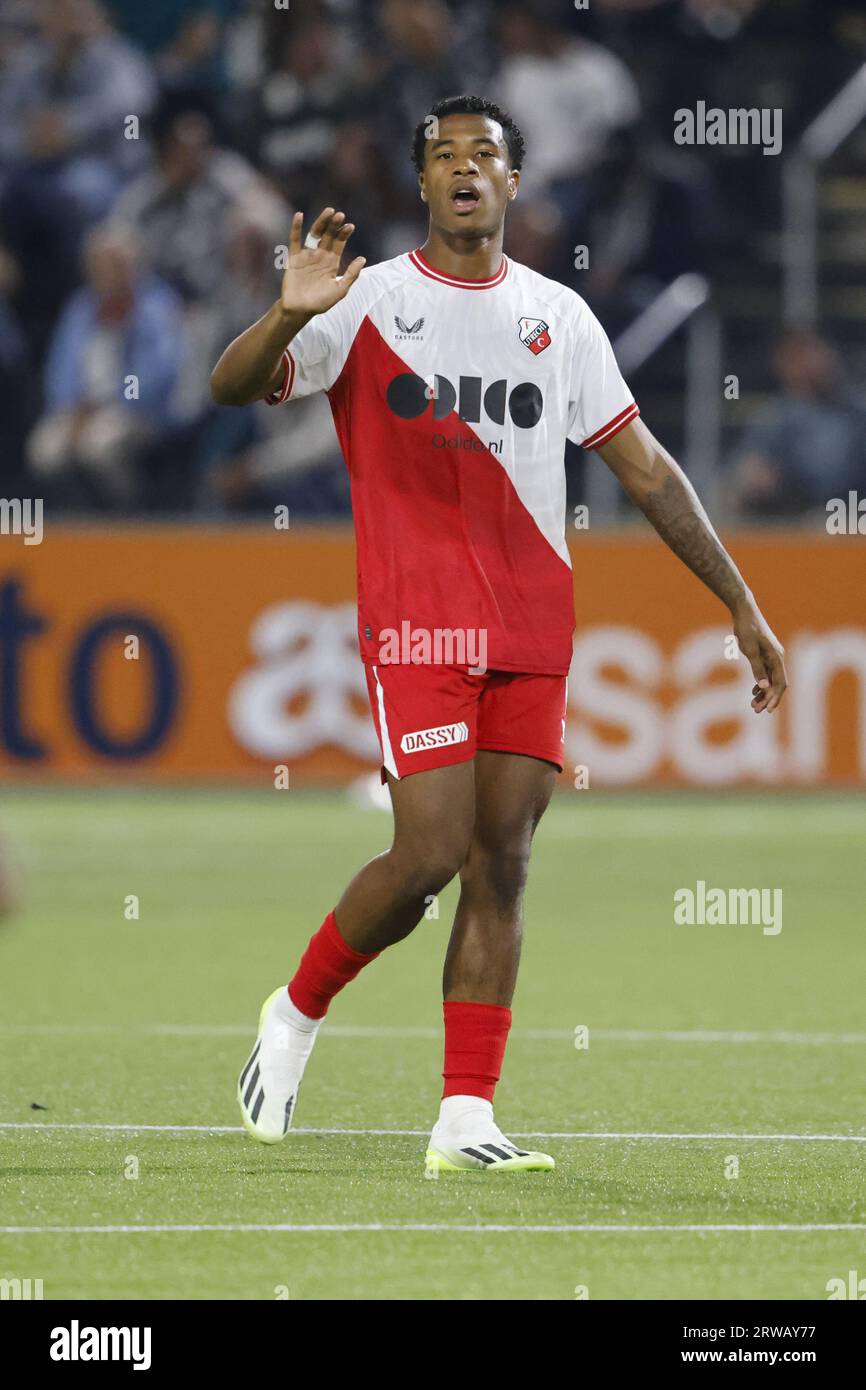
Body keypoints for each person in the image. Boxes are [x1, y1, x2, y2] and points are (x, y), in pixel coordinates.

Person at [211, 94, 787, 1174]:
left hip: (531, 626)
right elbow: (230, 387)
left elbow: (647, 471)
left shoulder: (558, 317)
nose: (464, 167)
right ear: (421, 184)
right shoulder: (364, 299)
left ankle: (464, 1117)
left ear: (515, 183)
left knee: (504, 862)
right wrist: (288, 313)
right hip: (417, 628)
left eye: (485, 153)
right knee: (427, 852)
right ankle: (293, 1014)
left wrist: (739, 603)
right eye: (442, 155)